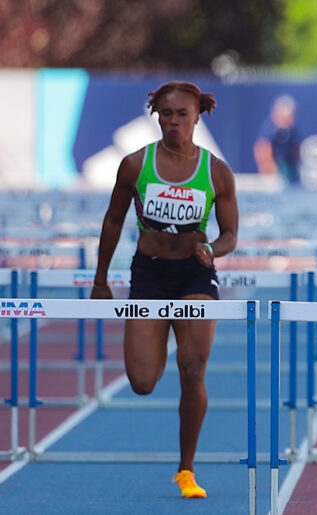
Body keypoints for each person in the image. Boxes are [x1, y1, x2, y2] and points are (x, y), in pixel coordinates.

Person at [91, 81, 239, 499]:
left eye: (182, 114)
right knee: (142, 381)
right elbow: (113, 221)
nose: (174, 122)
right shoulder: (136, 164)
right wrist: (101, 281)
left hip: (195, 274)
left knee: (192, 370)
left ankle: (186, 470)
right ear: (156, 115)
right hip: (150, 276)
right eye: (166, 114)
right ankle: (157, 342)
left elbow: (230, 235)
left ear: (197, 116)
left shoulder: (216, 171)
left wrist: (213, 249)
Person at [254, 94, 301, 185]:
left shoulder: (294, 129)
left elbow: (296, 152)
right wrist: (271, 173)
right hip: (274, 167)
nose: (287, 121)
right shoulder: (269, 128)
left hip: (288, 165)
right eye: (284, 118)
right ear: (275, 114)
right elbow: (262, 150)